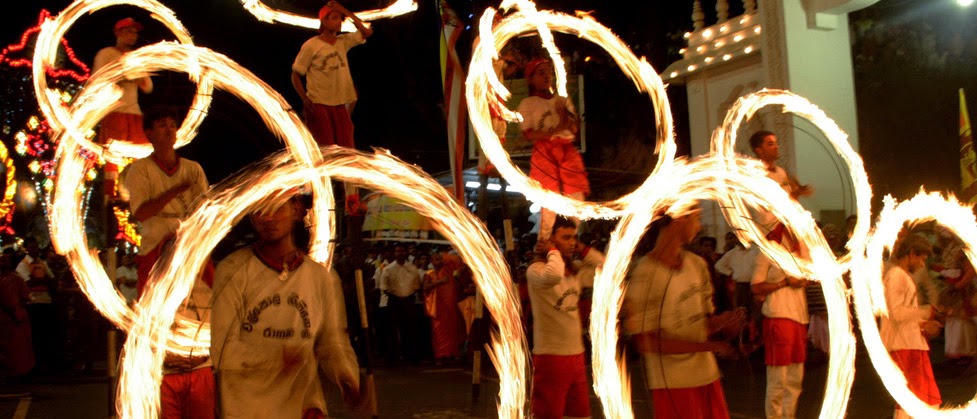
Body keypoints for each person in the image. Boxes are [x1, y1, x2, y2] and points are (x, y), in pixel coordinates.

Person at [211, 195, 362, 418]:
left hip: (302, 404)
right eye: (260, 210)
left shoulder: (322, 278)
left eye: (277, 208)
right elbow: (221, 351)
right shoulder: (232, 270)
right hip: (246, 407)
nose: (268, 217)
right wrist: (278, 357)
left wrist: (347, 377)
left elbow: (332, 341)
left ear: (296, 209)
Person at [624, 210, 744, 419]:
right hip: (673, 385)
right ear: (679, 218)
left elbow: (701, 324)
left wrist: (724, 324)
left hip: (707, 376)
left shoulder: (696, 265)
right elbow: (646, 343)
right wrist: (709, 346)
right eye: (696, 218)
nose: (699, 226)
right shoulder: (645, 274)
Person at [291, 1, 372, 215]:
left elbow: (367, 32)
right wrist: (304, 99)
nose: (338, 21)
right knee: (325, 153)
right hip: (318, 102)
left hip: (339, 104)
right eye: (334, 17)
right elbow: (295, 74)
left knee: (348, 151)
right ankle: (316, 200)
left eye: (340, 18)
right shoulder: (311, 45)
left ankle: (351, 200)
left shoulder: (342, 42)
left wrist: (347, 11)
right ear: (324, 20)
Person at [124, 107, 209, 296]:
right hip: (154, 250)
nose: (170, 130)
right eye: (162, 126)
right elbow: (142, 213)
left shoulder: (193, 169)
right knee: (150, 311)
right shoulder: (140, 169)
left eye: (173, 125)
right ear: (149, 133)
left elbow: (204, 211)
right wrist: (175, 190)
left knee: (210, 301)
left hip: (190, 250)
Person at [526, 215, 604, 419]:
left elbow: (605, 267)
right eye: (566, 238)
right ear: (548, 241)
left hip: (577, 355)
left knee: (580, 416)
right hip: (551, 358)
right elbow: (553, 275)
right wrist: (552, 250)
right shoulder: (535, 271)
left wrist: (581, 249)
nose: (572, 243)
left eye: (574, 238)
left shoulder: (573, 274)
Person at [517, 58, 588, 241]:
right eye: (541, 72)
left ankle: (574, 240)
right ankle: (544, 244)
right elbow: (528, 134)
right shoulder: (527, 104)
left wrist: (564, 115)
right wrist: (553, 132)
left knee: (575, 197)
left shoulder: (563, 101)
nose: (547, 76)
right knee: (548, 201)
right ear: (531, 79)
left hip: (567, 152)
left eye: (548, 72)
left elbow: (573, 129)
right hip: (544, 153)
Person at [882, 234, 944, 418]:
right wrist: (927, 311)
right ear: (911, 254)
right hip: (902, 345)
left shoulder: (902, 276)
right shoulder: (895, 275)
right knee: (913, 400)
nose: (922, 265)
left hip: (912, 344)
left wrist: (925, 325)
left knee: (927, 399)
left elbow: (905, 314)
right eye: (922, 259)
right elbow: (895, 312)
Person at [752, 229, 810, 419]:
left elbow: (811, 275)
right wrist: (784, 282)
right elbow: (756, 286)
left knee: (795, 379)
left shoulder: (802, 248)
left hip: (800, 318)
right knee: (778, 379)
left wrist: (804, 280)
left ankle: (789, 416)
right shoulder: (769, 249)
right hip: (778, 316)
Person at [93, 17, 154, 146]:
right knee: (113, 160)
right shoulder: (106, 54)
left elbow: (148, 87)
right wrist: (120, 75)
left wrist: (137, 78)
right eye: (129, 31)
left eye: (135, 32)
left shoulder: (136, 59)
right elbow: (96, 82)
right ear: (118, 33)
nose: (133, 35)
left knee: (138, 158)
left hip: (134, 113)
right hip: (114, 113)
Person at [15, 237, 57, 374]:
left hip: (45, 301)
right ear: (27, 248)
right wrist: (42, 280)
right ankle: (35, 366)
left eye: (37, 246)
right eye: (32, 246)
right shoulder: (23, 264)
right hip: (32, 303)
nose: (36, 249)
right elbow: (28, 283)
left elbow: (52, 280)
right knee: (35, 336)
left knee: (46, 335)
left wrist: (39, 280)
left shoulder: (43, 263)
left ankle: (45, 365)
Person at [378, 244, 422, 365]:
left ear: (406, 253)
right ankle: (392, 358)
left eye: (402, 251)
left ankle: (411, 356)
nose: (400, 253)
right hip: (394, 301)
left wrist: (409, 296)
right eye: (398, 251)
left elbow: (417, 285)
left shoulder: (412, 268)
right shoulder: (388, 269)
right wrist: (396, 296)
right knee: (392, 330)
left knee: (410, 329)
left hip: (409, 300)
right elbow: (383, 287)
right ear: (394, 253)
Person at [715, 231, 760, 347]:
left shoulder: (756, 251)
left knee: (755, 313)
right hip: (739, 286)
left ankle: (754, 339)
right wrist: (731, 273)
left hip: (754, 285)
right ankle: (740, 340)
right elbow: (718, 265)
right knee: (740, 314)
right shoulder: (732, 253)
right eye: (738, 237)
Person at [423, 252, 463, 364]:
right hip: (437, 307)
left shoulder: (448, 270)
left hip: (449, 305)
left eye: (439, 259)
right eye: (435, 259)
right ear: (431, 261)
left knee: (452, 329)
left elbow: (457, 260)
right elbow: (425, 288)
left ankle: (452, 354)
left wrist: (444, 255)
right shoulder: (429, 274)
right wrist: (439, 282)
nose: (438, 261)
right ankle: (440, 355)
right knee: (438, 332)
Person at [0, 249, 33, 381]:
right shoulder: (9, 279)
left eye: (5, 261)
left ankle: (17, 373)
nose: (3, 263)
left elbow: (24, 298)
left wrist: (16, 313)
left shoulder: (17, 279)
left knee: (18, 348)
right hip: (6, 318)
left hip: (15, 319)